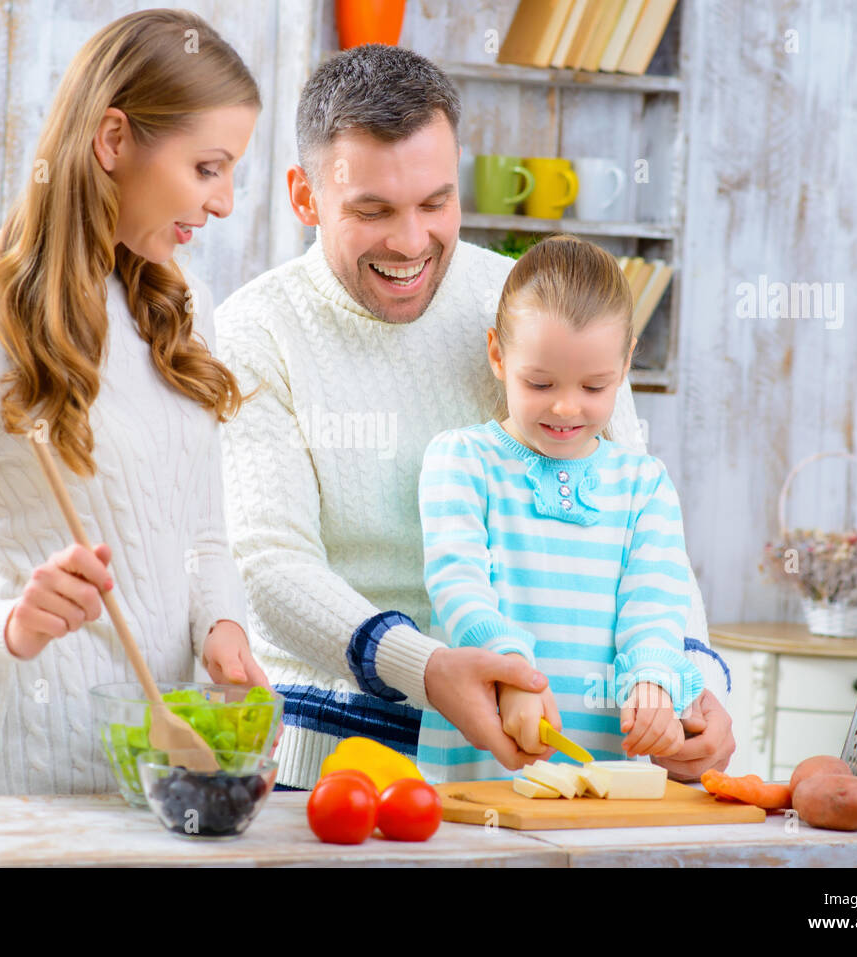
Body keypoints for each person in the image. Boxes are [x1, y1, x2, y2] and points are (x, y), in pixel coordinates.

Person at [214, 44, 734, 791]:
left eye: (436, 202)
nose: (411, 241)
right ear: (304, 196)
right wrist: (428, 670)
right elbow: (270, 563)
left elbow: (640, 519)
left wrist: (700, 677)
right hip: (336, 765)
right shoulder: (254, 331)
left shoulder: (530, 302)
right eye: (373, 210)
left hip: (543, 767)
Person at [0, 10, 269, 797]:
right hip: (14, 803)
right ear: (112, 140)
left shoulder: (178, 300)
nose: (227, 201)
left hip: (159, 794)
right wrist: (8, 625)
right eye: (209, 168)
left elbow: (200, 531)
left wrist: (223, 625)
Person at [416, 234, 702, 783]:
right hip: (476, 780)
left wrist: (653, 683)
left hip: (605, 780)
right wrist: (512, 674)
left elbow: (657, 605)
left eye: (595, 386)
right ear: (498, 355)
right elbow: (457, 582)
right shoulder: (463, 461)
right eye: (539, 382)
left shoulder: (644, 485)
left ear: (625, 365)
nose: (567, 407)